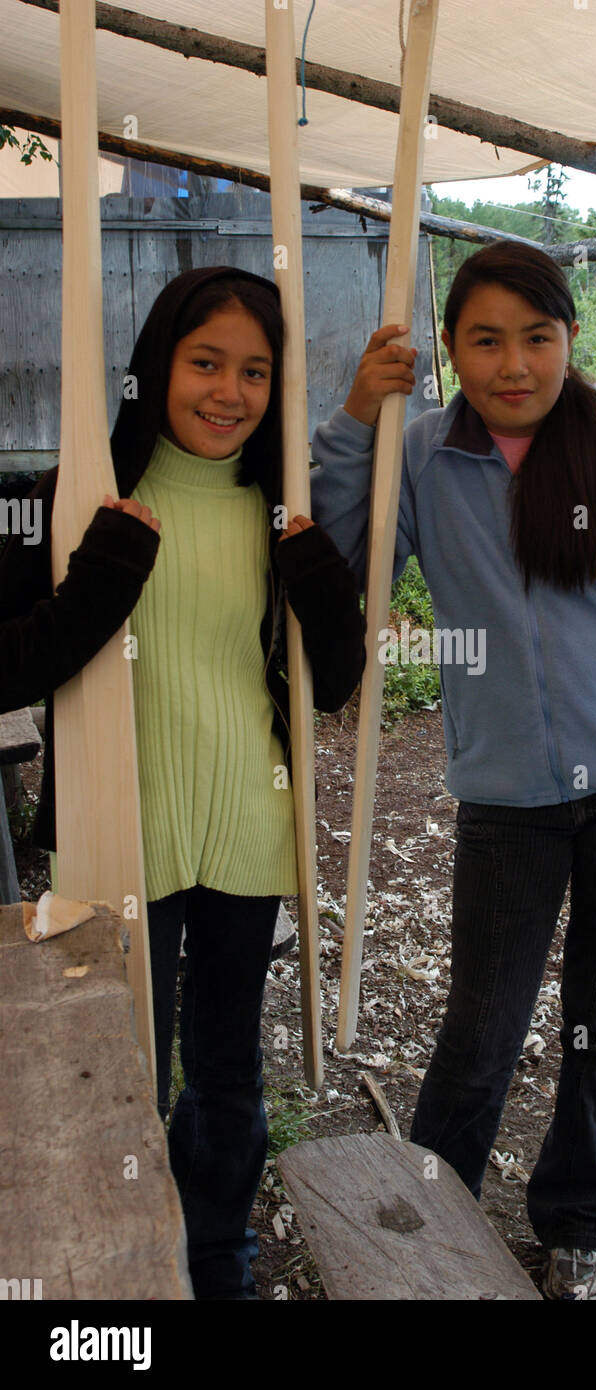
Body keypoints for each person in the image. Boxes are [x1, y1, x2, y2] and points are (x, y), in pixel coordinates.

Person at [309, 242, 596, 1301]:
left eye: (537, 338)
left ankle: (581, 1224)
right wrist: (355, 420)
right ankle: (429, 1216)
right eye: (486, 341)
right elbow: (336, 557)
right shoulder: (422, 457)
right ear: (452, 353)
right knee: (481, 1025)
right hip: (508, 794)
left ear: (569, 340)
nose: (515, 365)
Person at [0, 265, 366, 1300]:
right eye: (206, 362)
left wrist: (323, 580)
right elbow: (14, 664)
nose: (229, 390)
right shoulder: (76, 499)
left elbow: (332, 680)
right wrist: (103, 577)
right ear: (158, 365)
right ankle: (126, 1267)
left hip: (247, 829)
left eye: (255, 370)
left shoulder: (277, 510)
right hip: (124, 832)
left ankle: (219, 1260)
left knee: (225, 1069)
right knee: (124, 1071)